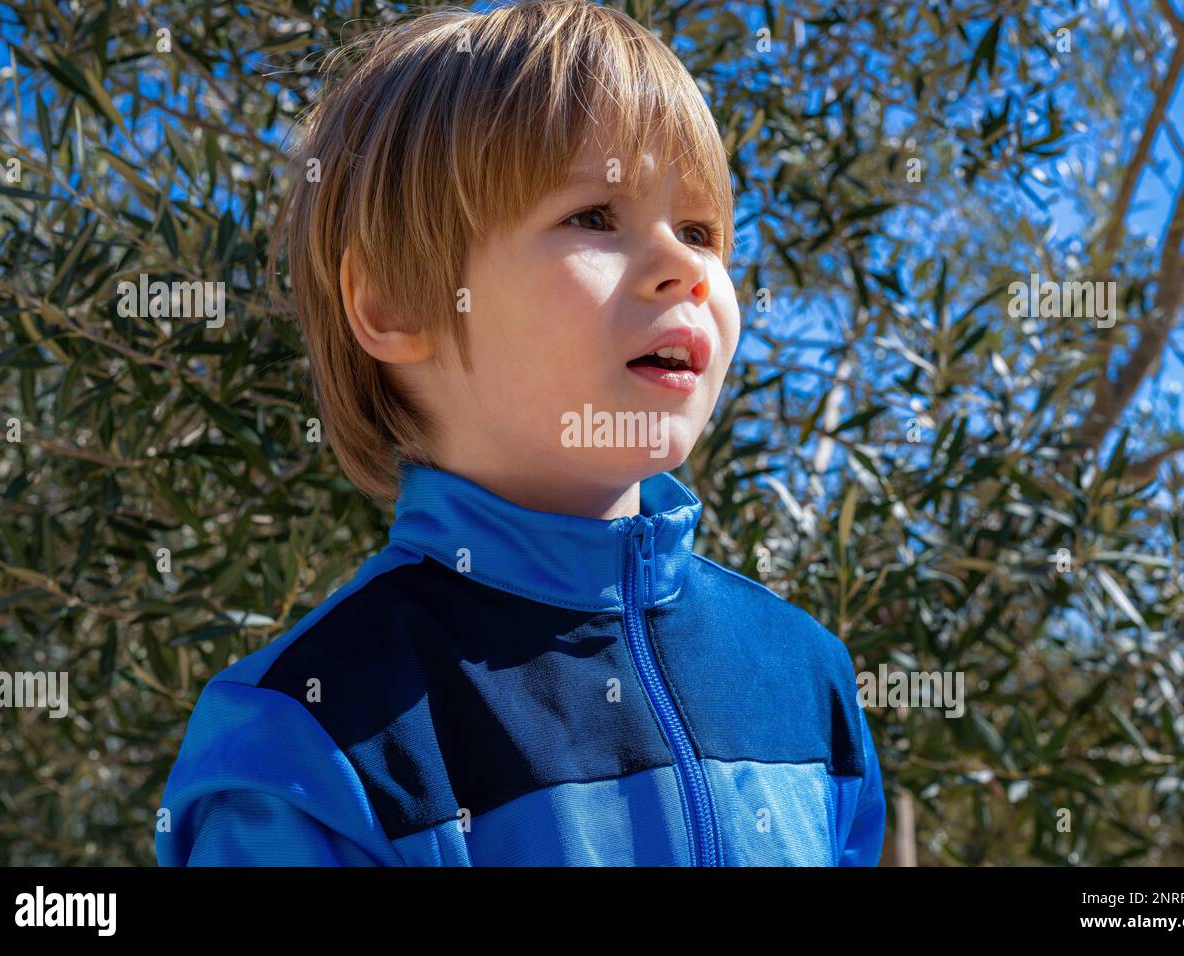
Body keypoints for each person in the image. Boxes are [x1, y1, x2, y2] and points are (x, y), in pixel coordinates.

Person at [155, 0, 885, 866]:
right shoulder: (314, 736)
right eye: (594, 217)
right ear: (395, 303)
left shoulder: (803, 674)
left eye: (699, 231)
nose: (688, 269)